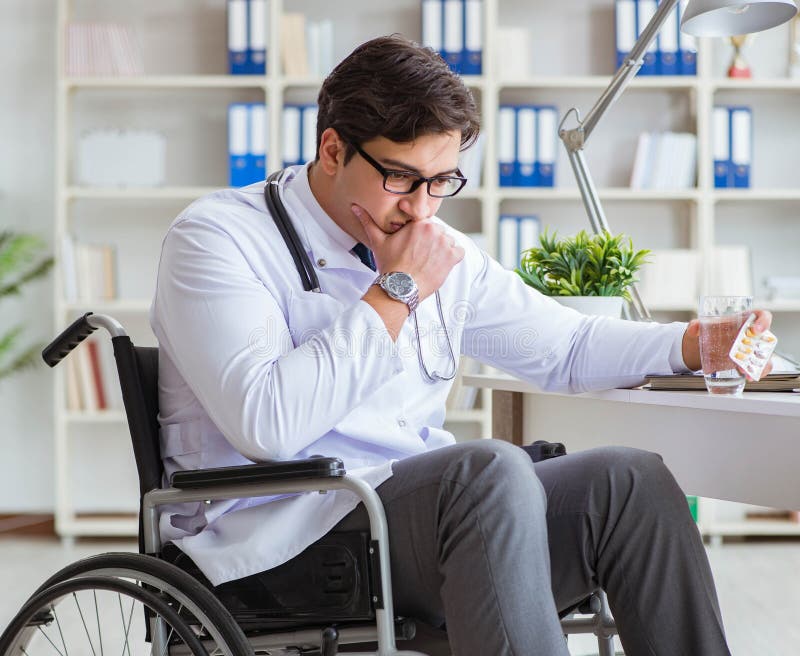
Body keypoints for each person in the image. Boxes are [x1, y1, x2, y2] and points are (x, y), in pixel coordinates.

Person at [150, 34, 772, 655]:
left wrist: (689, 346)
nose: (422, 209)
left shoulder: (435, 249)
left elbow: (566, 345)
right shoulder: (219, 239)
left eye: (441, 180)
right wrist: (398, 289)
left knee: (631, 482)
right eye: (401, 178)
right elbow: (268, 423)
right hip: (275, 543)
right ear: (333, 149)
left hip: (416, 524)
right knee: (487, 471)